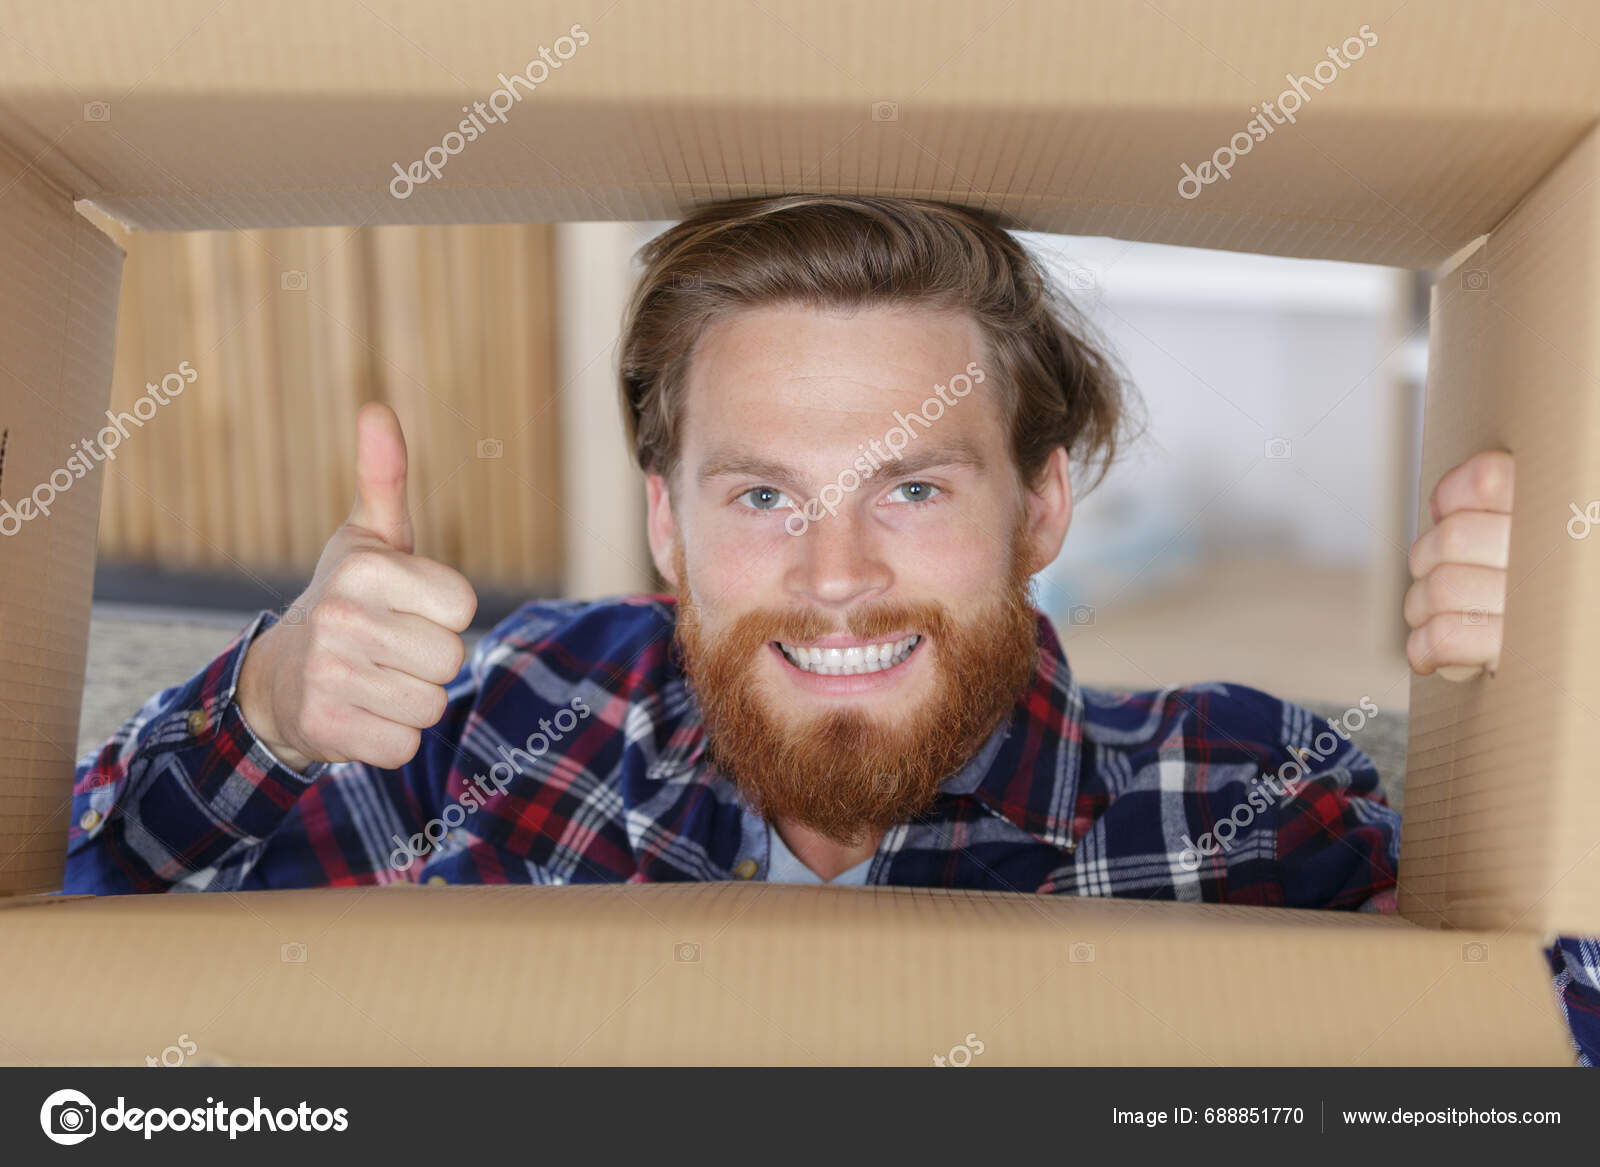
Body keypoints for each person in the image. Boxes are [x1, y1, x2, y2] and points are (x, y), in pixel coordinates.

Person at [63, 195, 1597, 1063]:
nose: (838, 574)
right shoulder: (522, 714)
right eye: (760, 497)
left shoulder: (1252, 803)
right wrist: (262, 704)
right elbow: (79, 939)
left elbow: (1549, 1059)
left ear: (1044, 508)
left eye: (914, 487)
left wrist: (1576, 711)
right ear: (666, 522)